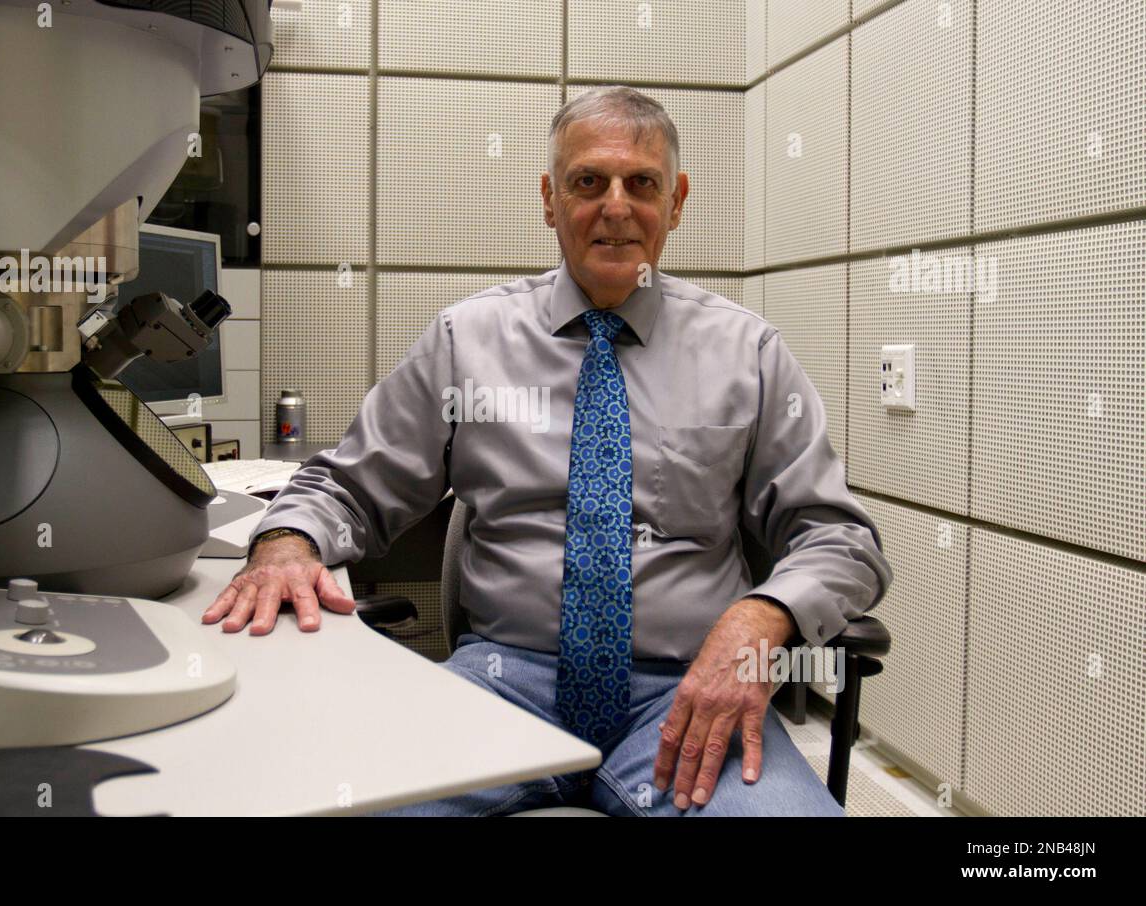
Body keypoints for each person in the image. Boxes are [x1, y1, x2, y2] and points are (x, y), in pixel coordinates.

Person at [202, 86, 892, 816]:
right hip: (502, 682)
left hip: (688, 692)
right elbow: (347, 487)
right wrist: (284, 541)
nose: (616, 206)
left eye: (642, 183)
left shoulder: (746, 353)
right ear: (550, 198)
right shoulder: (466, 342)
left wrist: (762, 618)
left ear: (678, 200)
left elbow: (842, 540)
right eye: (588, 182)